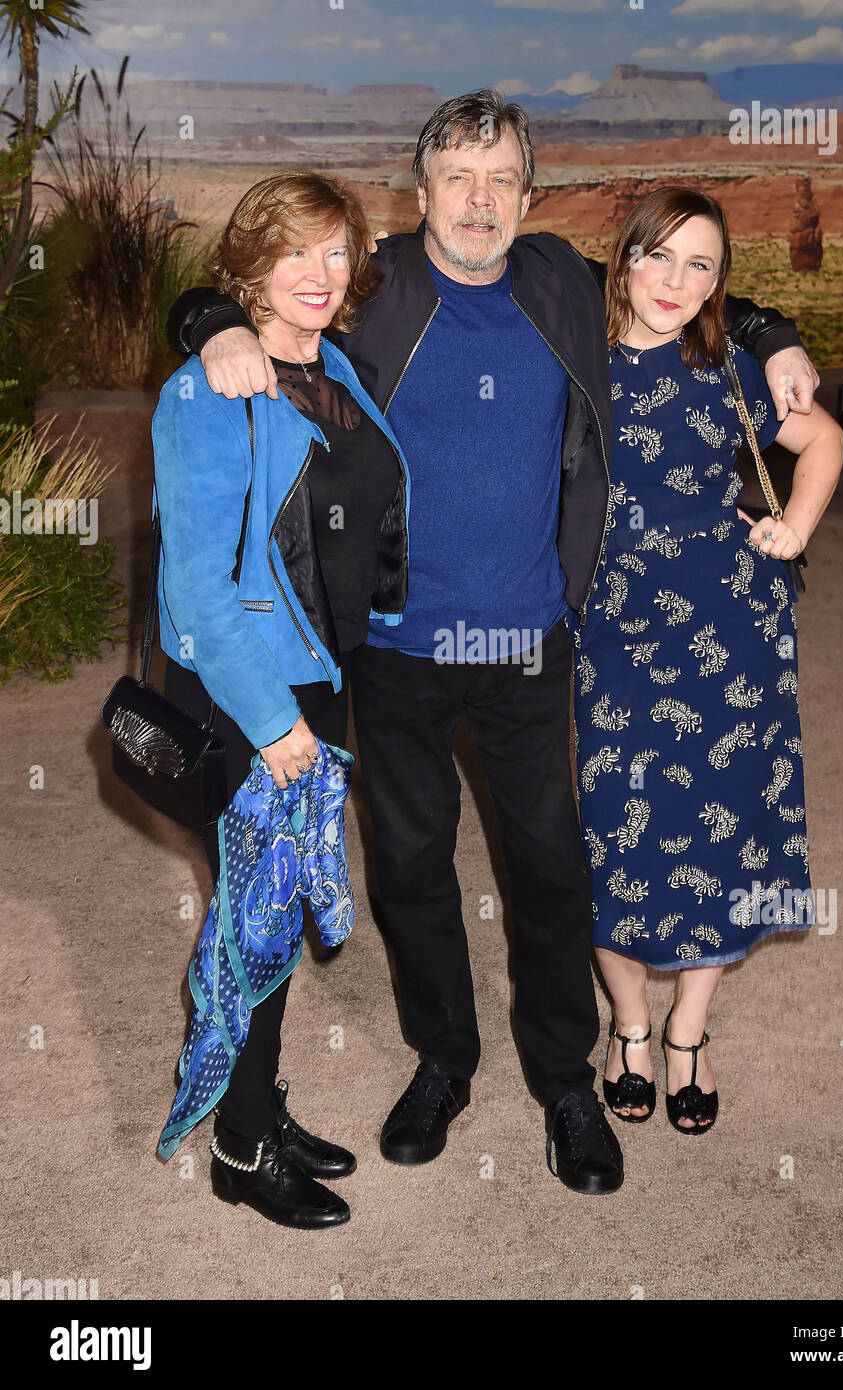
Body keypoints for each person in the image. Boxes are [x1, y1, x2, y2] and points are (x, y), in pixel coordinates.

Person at [166, 90, 820, 1195]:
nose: (480, 201)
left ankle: (564, 1077)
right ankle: (443, 1058)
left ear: (531, 193)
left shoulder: (565, 281)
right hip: (393, 645)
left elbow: (684, 289)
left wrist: (775, 332)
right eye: (457, 178)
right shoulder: (372, 290)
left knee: (552, 867)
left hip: (531, 641)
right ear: (418, 193)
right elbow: (255, 287)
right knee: (414, 868)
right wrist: (208, 325)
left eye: (502, 179)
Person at [154, 170, 410, 1225]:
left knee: (278, 909)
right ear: (249, 264)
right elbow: (196, 590)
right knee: (253, 922)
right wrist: (276, 728)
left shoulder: (331, 362)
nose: (320, 273)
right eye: (296, 251)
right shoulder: (208, 389)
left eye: (337, 251)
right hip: (247, 693)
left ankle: (262, 1105)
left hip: (319, 678)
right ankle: (241, 1150)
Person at [573, 185, 843, 1131]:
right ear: (624, 256)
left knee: (721, 831)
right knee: (617, 832)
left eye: (701, 266)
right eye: (658, 256)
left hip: (729, 630)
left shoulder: (728, 365)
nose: (675, 281)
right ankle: (629, 1025)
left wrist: (790, 531)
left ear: (721, 283)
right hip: (609, 624)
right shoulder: (575, 356)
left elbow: (820, 439)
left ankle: (688, 1029)